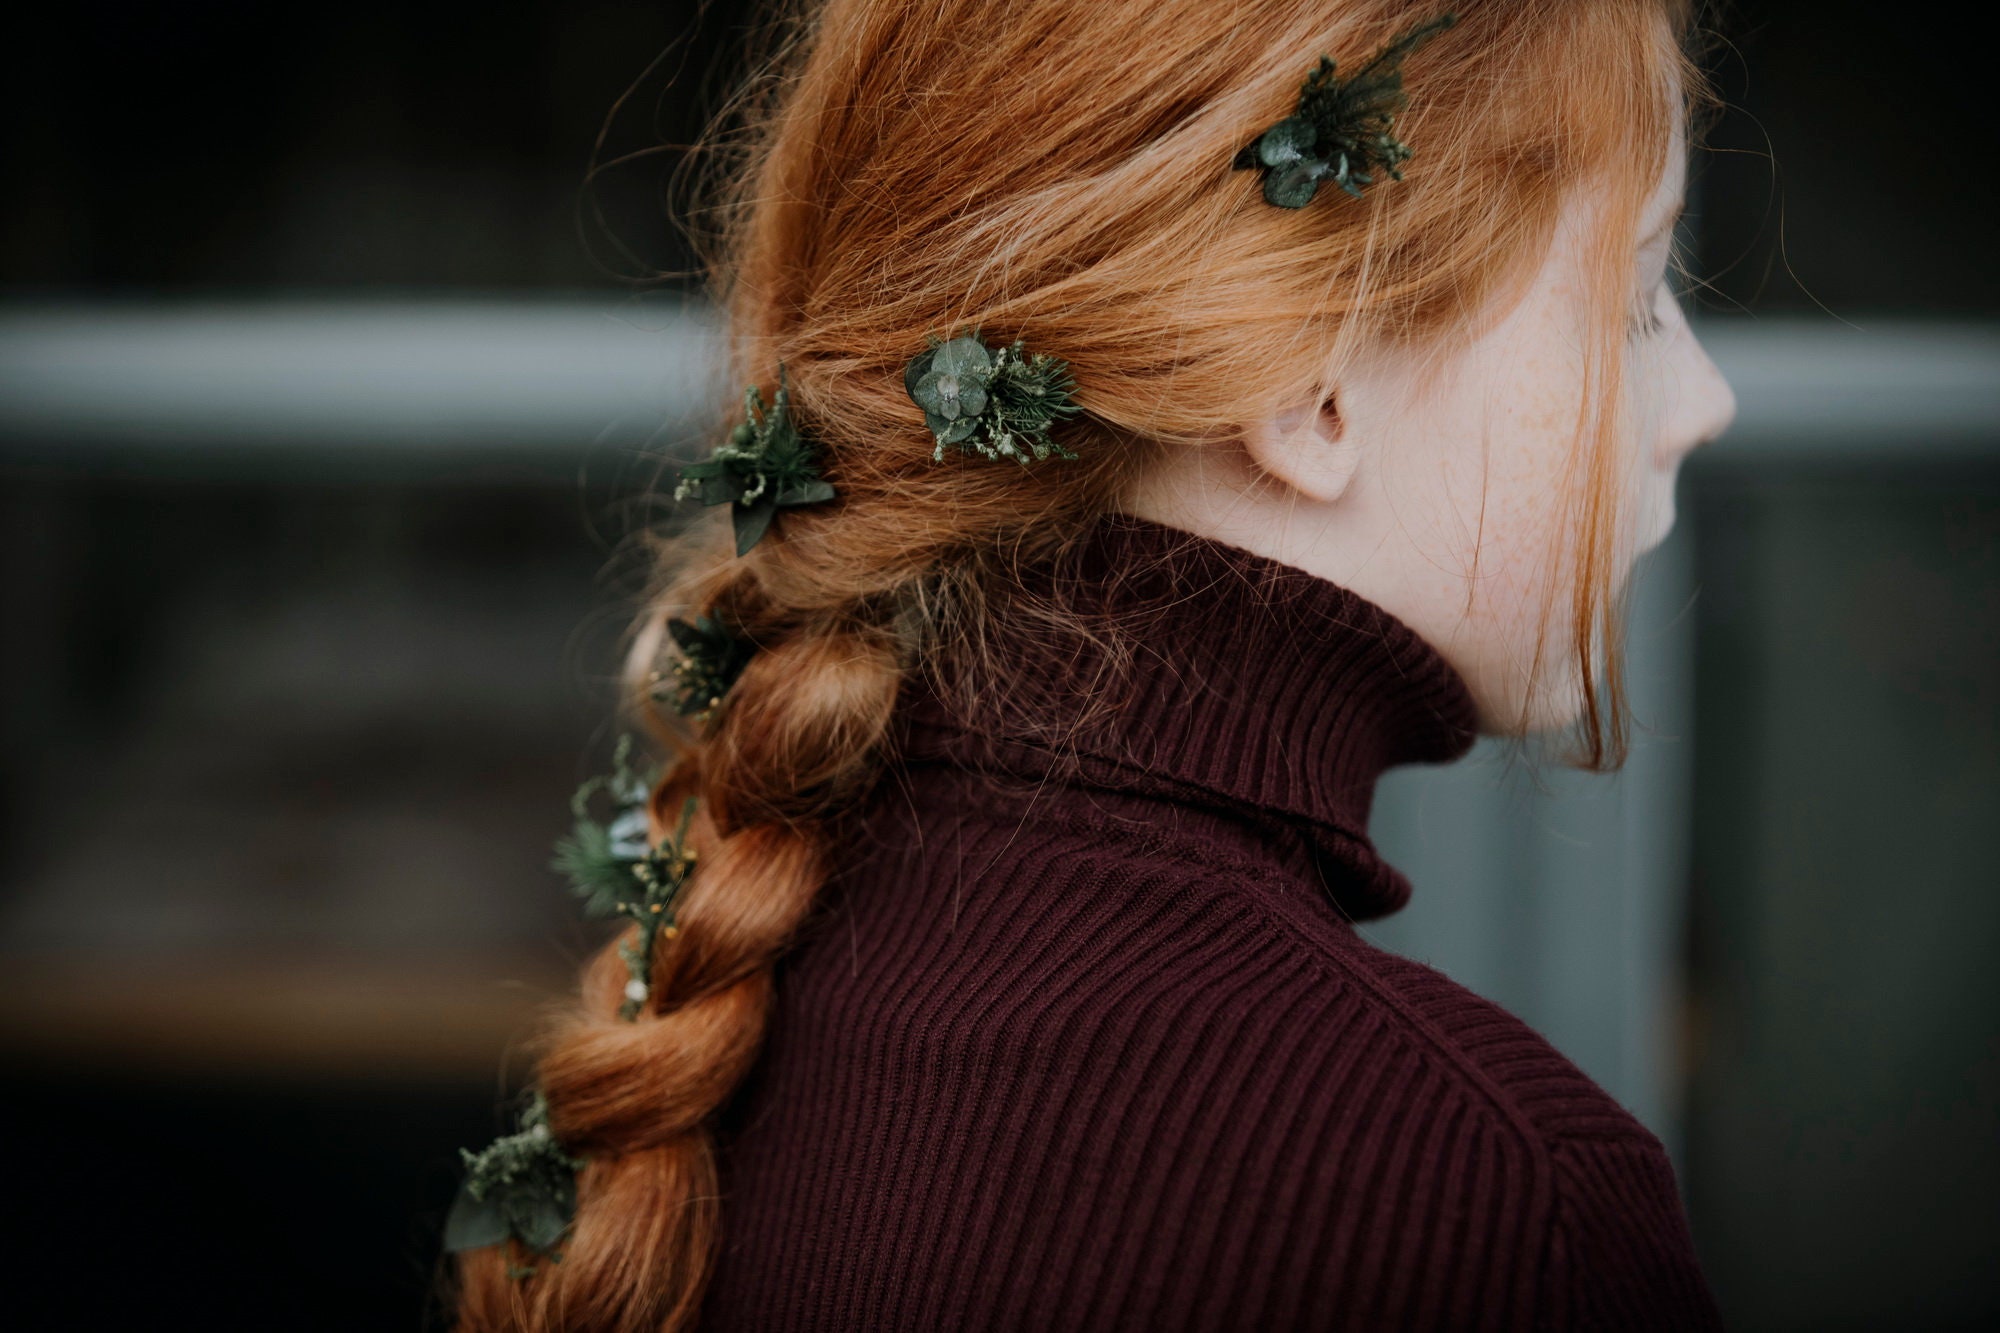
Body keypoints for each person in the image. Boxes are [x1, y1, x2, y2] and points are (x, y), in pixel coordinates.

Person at [449, 0, 1738, 1328]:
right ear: (1314, 381)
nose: (1704, 402)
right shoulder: (1494, 1210)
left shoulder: (755, 1008)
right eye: (1638, 302)